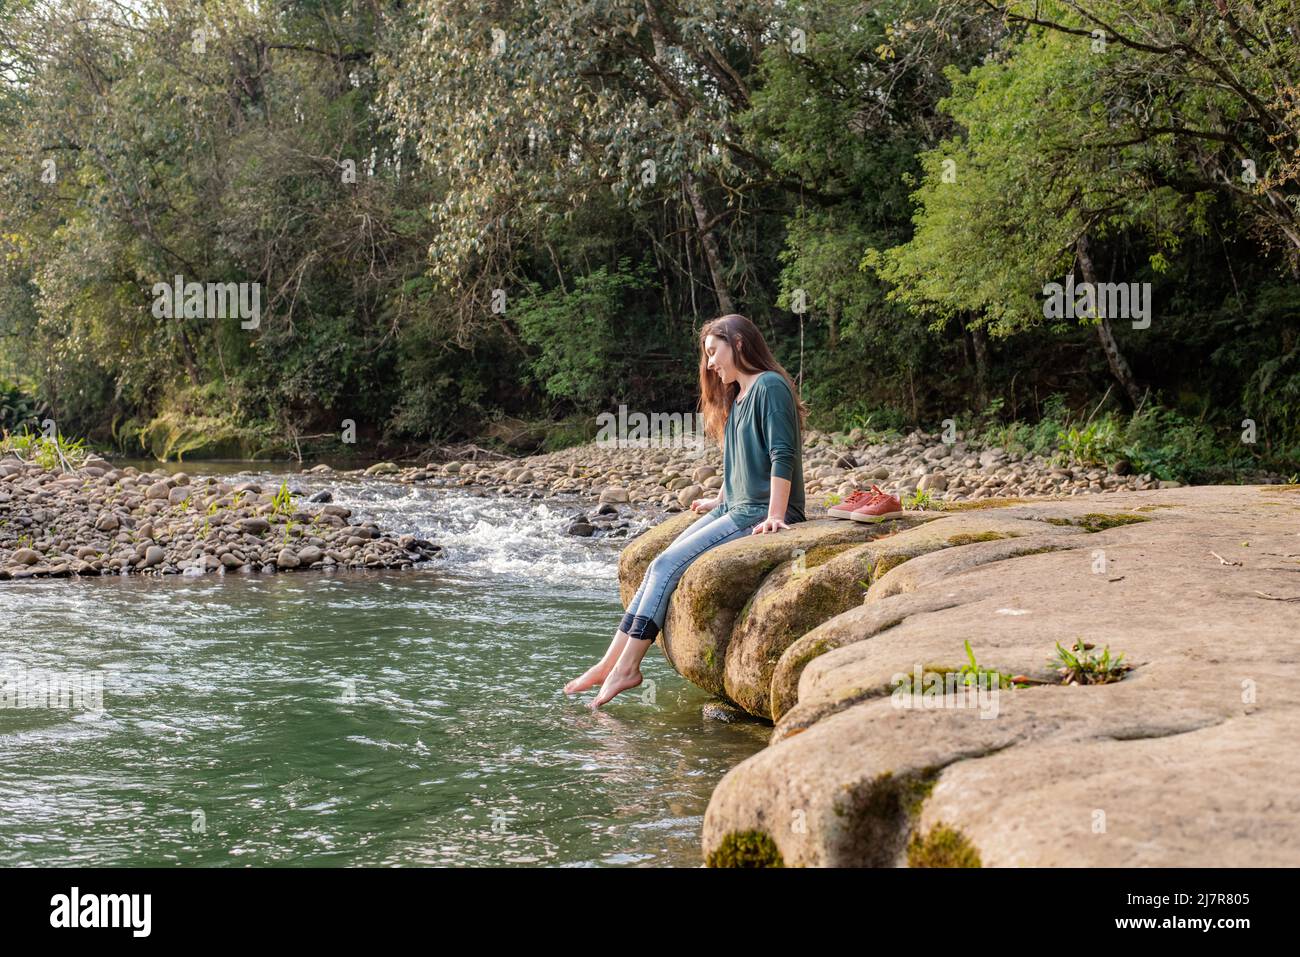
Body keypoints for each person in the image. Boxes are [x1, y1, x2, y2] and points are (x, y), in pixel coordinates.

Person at [564, 313, 807, 709]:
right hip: (736, 506)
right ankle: (610, 662)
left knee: (663, 568)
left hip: (758, 512)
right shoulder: (740, 396)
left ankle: (627, 667)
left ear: (740, 344)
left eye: (714, 352)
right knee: (657, 563)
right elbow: (743, 462)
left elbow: (783, 453)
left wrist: (777, 514)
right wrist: (720, 497)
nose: (710, 363)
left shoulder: (770, 387)